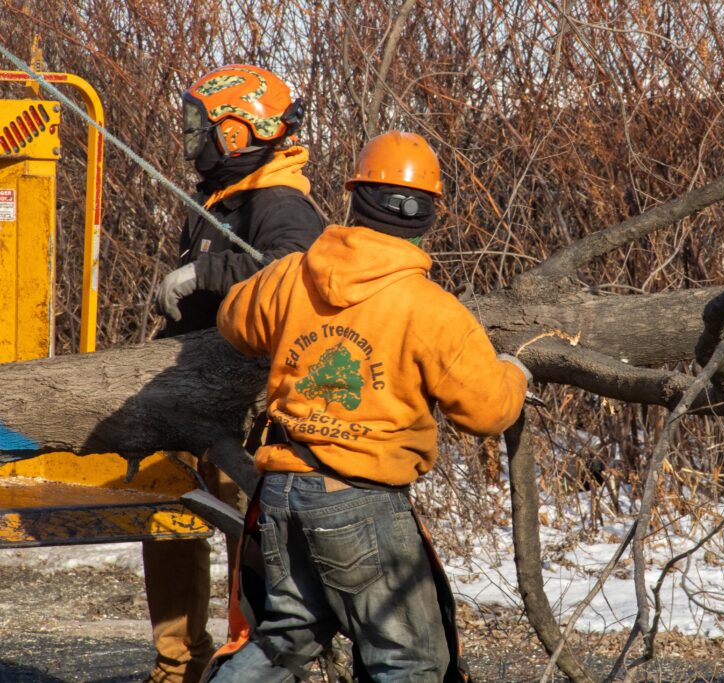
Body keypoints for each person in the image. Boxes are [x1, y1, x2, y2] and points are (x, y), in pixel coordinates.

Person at [208, 130, 530, 681]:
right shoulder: (431, 309)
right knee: (409, 662)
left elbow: (234, 321)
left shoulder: (293, 274)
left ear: (355, 196)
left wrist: (284, 294)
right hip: (360, 499)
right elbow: (488, 411)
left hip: (283, 489)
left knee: (284, 640)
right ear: (428, 214)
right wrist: (516, 373)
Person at [145, 64, 327, 683]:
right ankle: (177, 668)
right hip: (190, 399)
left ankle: (245, 668)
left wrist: (204, 274)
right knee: (167, 522)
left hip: (245, 407)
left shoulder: (279, 200)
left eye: (200, 126)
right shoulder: (221, 197)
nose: (191, 138)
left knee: (248, 540)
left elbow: (296, 269)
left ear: (238, 133)